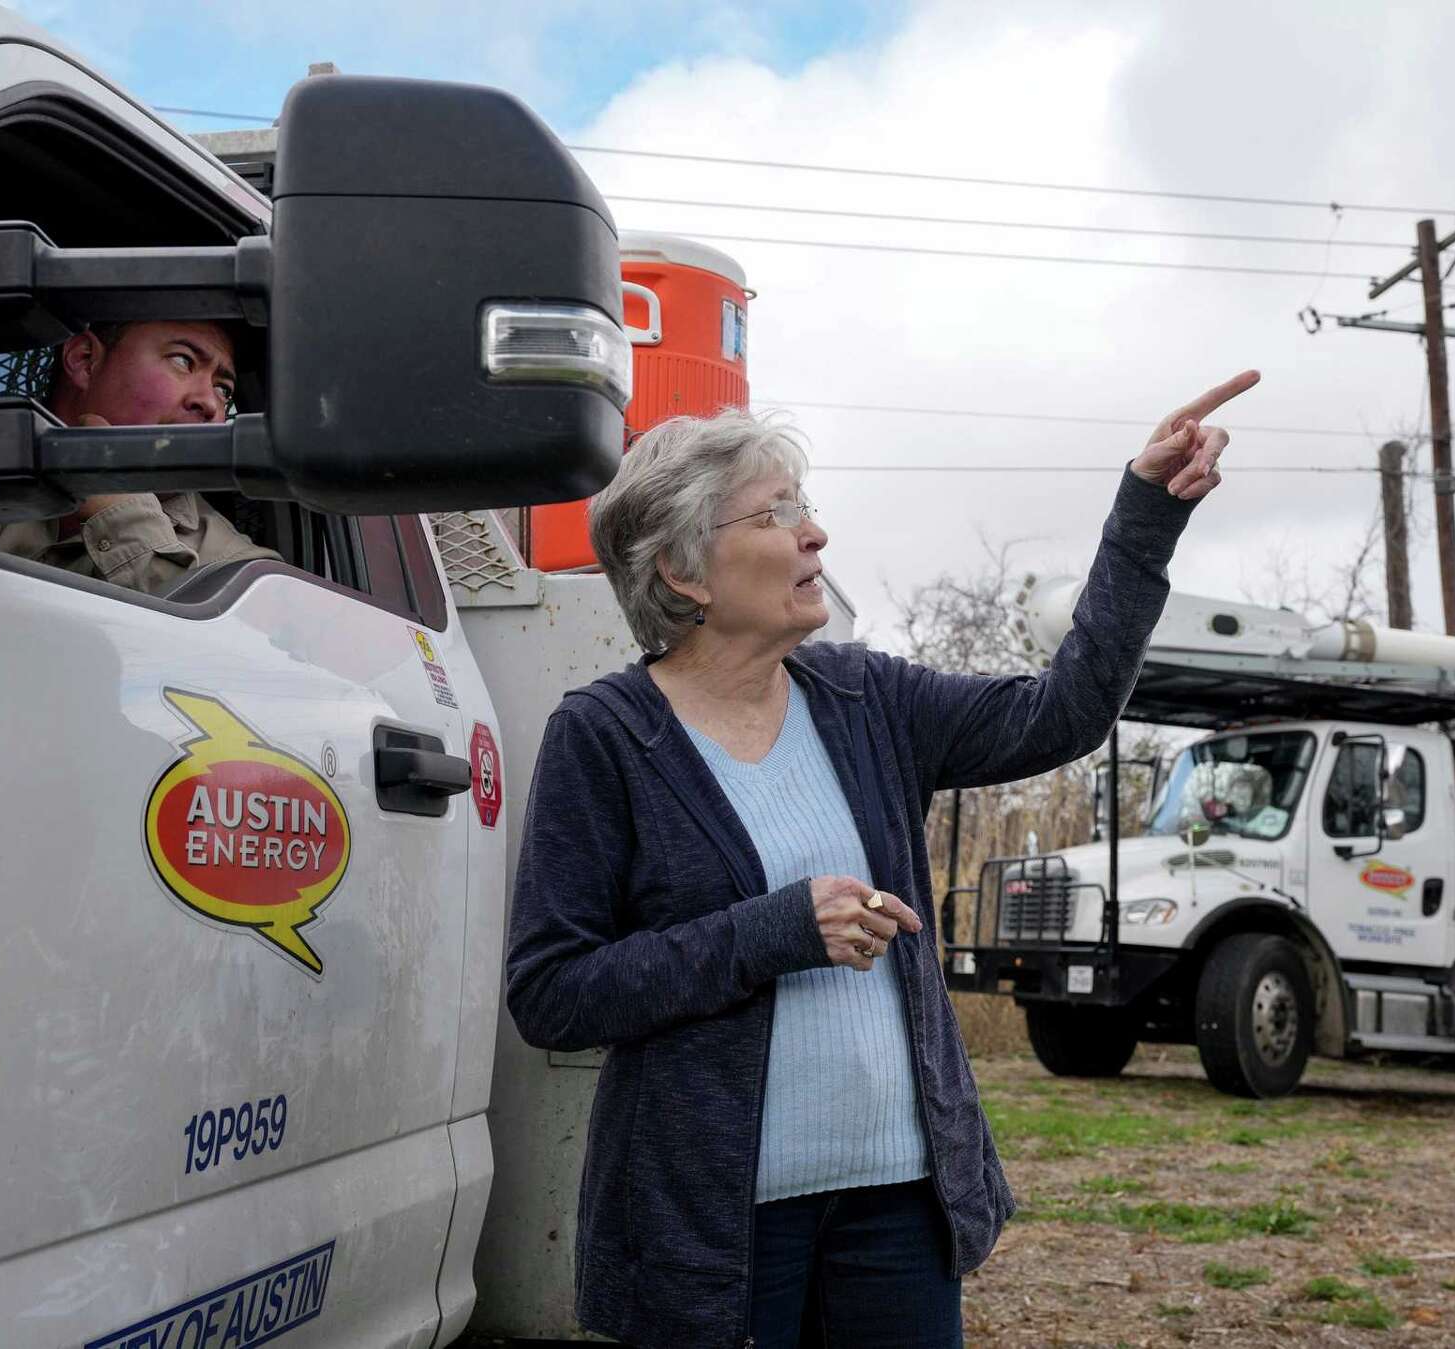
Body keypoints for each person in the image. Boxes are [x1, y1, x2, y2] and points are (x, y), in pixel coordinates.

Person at [506, 372, 1256, 1348]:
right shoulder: (604, 736)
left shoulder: (867, 699)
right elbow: (553, 990)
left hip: (897, 1205)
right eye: (775, 513)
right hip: (713, 1229)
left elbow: (1062, 710)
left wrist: (1144, 515)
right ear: (685, 572)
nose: (813, 533)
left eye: (805, 506)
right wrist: (773, 929)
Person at [0, 320, 278, 594]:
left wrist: (120, 510)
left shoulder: (240, 576)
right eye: (183, 360)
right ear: (85, 359)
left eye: (223, 389)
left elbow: (218, 653)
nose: (211, 403)